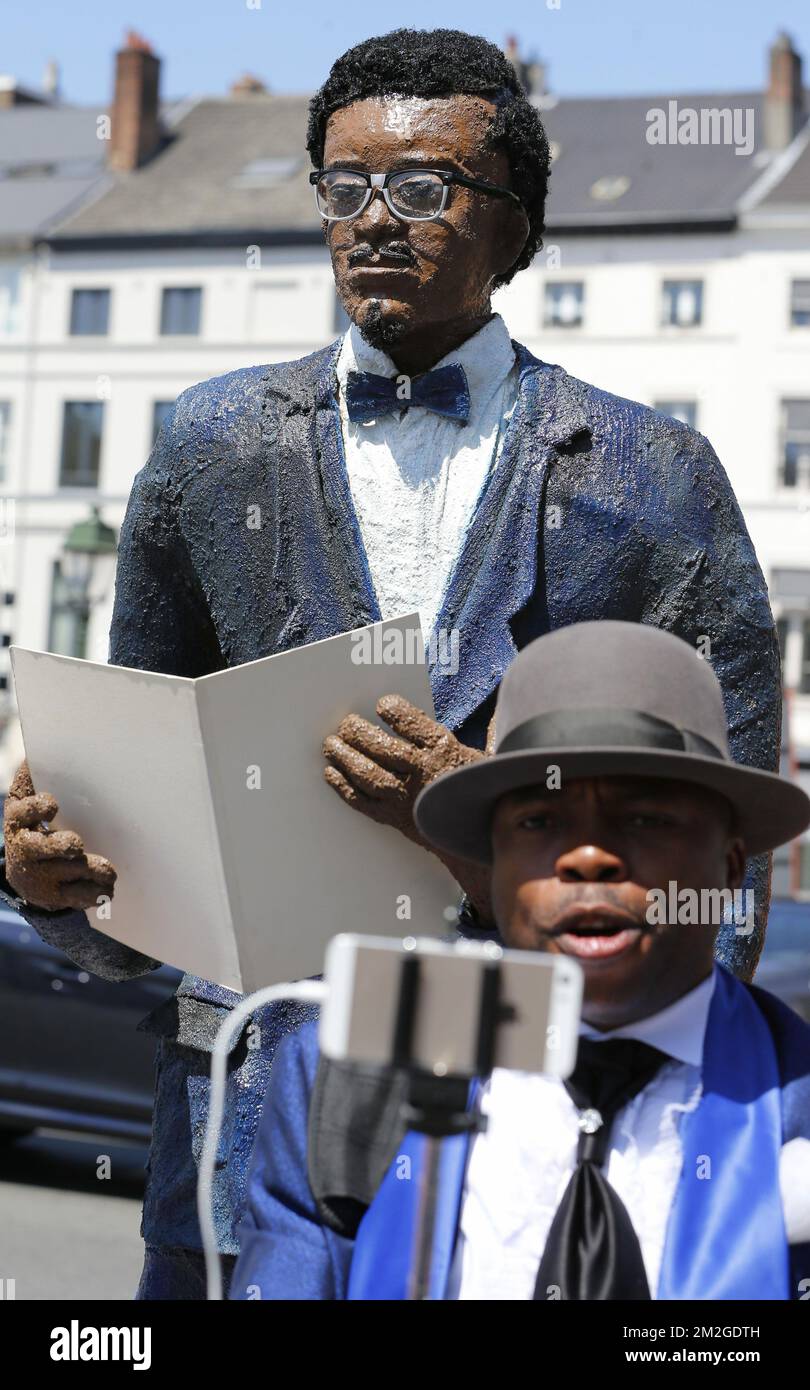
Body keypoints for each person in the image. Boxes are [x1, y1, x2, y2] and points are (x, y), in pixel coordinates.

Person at [0, 30, 783, 1299]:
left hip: (525, 1144)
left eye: (421, 189)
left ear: (516, 228)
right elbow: (134, 867)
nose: (374, 219)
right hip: (234, 1135)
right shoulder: (210, 449)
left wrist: (485, 825)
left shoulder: (652, 477)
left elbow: (730, 872)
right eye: (343, 185)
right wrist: (56, 891)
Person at [231, 621, 810, 1301]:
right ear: (495, 867)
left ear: (729, 865)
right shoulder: (355, 1070)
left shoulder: (792, 1099)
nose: (588, 857)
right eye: (540, 823)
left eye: (645, 819)